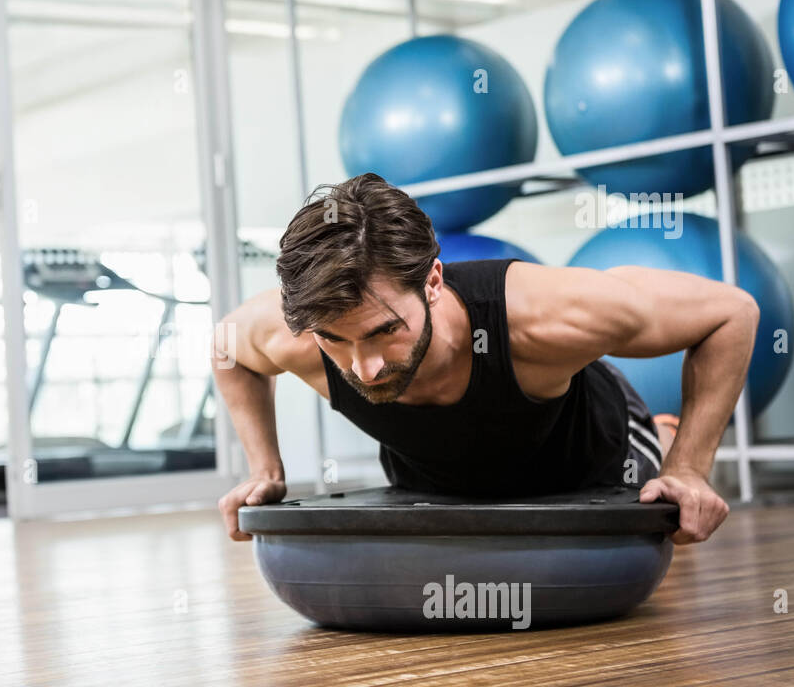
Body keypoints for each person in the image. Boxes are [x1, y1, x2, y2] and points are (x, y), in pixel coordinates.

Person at [214, 173, 759, 547]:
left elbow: (730, 313)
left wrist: (688, 469)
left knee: (654, 458)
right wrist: (265, 469)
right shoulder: (298, 334)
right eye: (336, 340)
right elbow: (226, 348)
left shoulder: (541, 313)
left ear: (431, 279)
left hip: (592, 459)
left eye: (384, 332)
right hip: (440, 481)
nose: (365, 368)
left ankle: (663, 431)